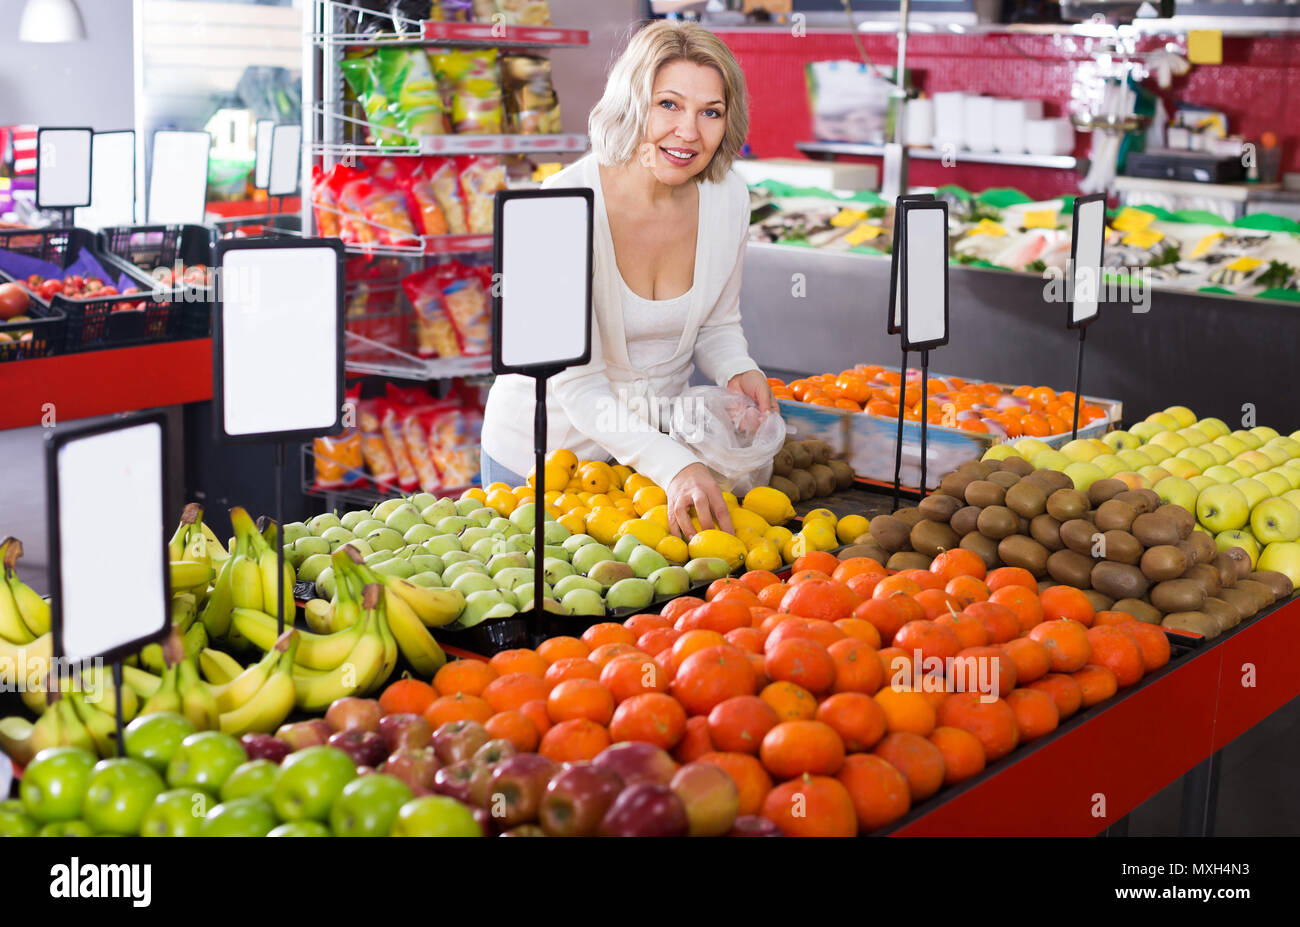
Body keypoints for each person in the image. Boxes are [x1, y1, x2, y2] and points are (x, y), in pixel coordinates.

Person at [480, 20, 776, 539]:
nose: (689, 131)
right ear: (632, 103)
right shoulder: (560, 204)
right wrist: (675, 465)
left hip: (648, 465)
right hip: (541, 463)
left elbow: (717, 323)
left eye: (711, 112)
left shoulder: (727, 196)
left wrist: (737, 368)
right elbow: (577, 383)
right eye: (669, 104)